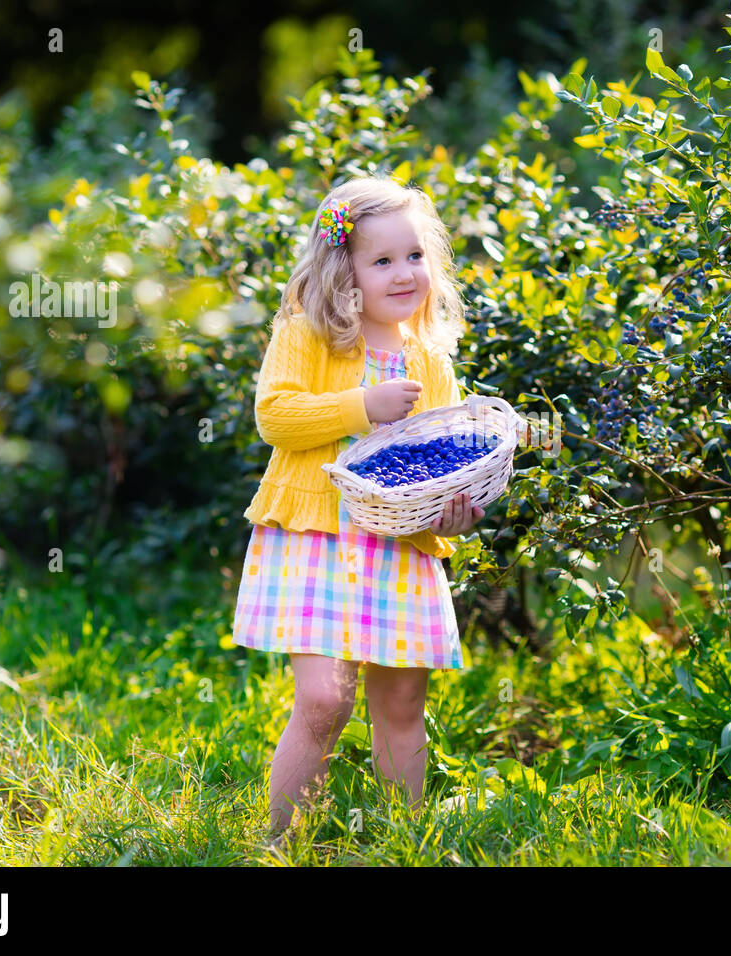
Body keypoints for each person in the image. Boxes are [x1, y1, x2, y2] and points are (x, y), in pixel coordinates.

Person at [231, 174, 486, 844]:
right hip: (315, 534)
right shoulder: (307, 334)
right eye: (382, 260)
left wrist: (449, 512)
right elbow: (275, 418)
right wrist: (360, 408)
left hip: (398, 547)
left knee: (402, 701)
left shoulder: (428, 360)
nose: (404, 273)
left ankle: (402, 841)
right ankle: (281, 843)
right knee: (323, 699)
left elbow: (438, 461)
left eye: (415, 256)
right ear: (342, 271)